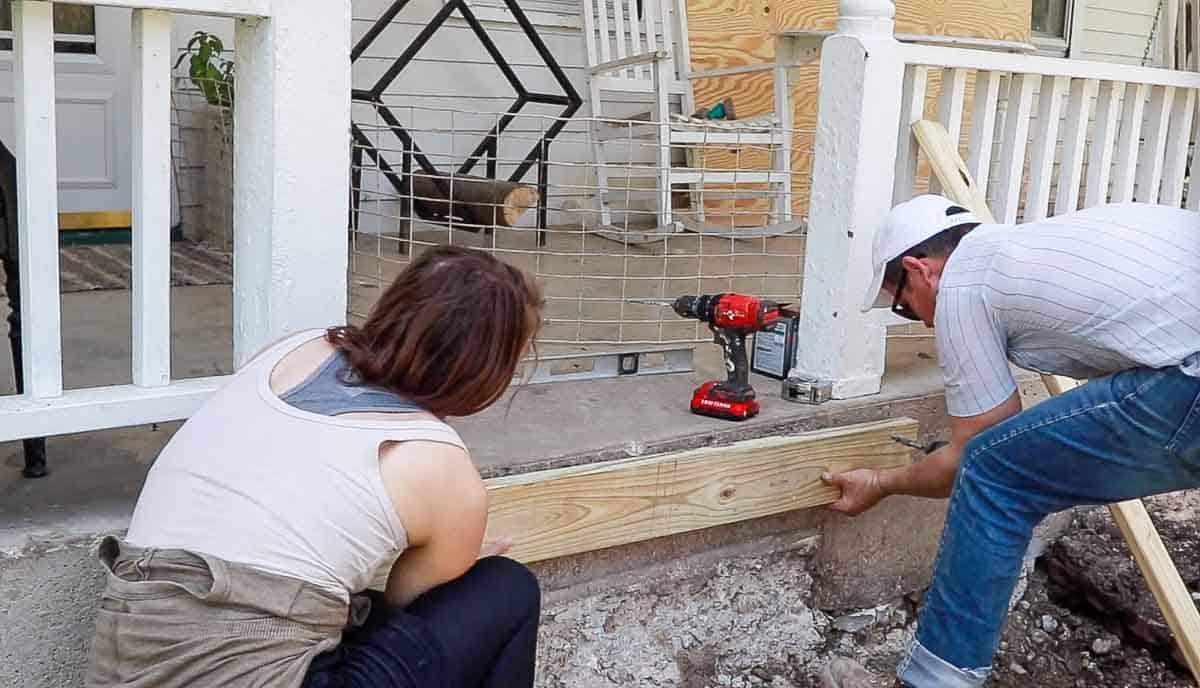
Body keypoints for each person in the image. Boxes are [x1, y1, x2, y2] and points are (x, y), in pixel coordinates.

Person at [86, 245, 545, 688]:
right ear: (487, 370)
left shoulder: (292, 353)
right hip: (264, 670)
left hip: (124, 663)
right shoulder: (440, 468)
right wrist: (459, 582)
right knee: (506, 588)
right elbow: (408, 615)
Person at [819, 195, 1200, 688]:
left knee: (993, 476)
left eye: (904, 305)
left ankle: (935, 680)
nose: (926, 323)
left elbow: (973, 459)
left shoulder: (964, 281)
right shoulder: (1040, 249)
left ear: (922, 270)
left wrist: (881, 482)